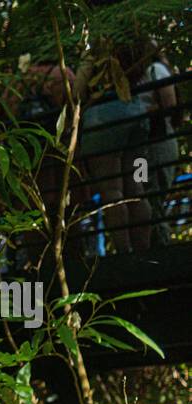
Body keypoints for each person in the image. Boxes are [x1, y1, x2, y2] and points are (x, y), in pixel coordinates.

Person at [76, 41, 152, 254]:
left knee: (112, 191)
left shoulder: (97, 47)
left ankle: (124, 252)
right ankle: (145, 251)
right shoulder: (134, 42)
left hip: (104, 120)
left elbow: (77, 90)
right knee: (138, 187)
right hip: (136, 115)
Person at [139, 42, 179, 245]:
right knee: (144, 191)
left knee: (152, 194)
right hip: (142, 148)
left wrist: (142, 112)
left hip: (156, 142)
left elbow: (169, 104)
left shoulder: (155, 70)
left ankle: (160, 247)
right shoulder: (134, 75)